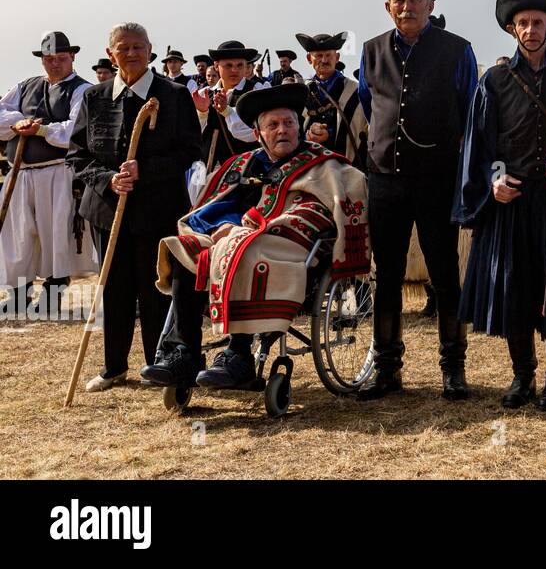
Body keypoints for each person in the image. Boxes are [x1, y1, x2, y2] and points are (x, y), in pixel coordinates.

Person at [141, 83, 369, 389]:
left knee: (243, 249)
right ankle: (185, 353)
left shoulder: (324, 165)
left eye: (288, 123)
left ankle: (239, 355)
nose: (282, 130)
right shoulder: (242, 163)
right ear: (258, 133)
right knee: (185, 247)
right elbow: (212, 206)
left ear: (299, 127)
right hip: (230, 238)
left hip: (284, 247)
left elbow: (333, 204)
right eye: (272, 125)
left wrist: (245, 229)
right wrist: (220, 229)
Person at [356, 0, 478, 400]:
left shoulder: (457, 48)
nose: (407, 6)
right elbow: (372, 104)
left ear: (430, 5)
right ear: (388, 6)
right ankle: (388, 370)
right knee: (384, 275)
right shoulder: (370, 50)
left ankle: (453, 368)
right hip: (385, 178)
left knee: (445, 273)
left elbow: (470, 112)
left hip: (437, 176)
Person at [455, 0, 546, 410]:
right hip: (512, 199)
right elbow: (480, 145)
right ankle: (523, 375)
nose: (530, 29)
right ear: (512, 29)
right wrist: (494, 180)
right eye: (522, 23)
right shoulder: (495, 79)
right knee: (515, 289)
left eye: (538, 22)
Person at [68, 23, 201, 391]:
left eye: (138, 47)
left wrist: (146, 170)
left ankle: (157, 364)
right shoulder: (95, 98)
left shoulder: (173, 95)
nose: (131, 54)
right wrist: (109, 179)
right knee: (114, 287)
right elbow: (78, 156)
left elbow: (192, 150)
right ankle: (114, 367)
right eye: (123, 48)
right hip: (106, 210)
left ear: (150, 50)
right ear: (111, 54)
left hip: (158, 208)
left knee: (154, 286)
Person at [0, 31, 94, 316]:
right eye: (49, 59)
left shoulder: (82, 90)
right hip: (20, 172)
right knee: (18, 236)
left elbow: (74, 129)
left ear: (72, 57)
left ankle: (52, 296)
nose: (55, 64)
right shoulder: (25, 86)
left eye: (61, 58)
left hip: (57, 172)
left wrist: (41, 130)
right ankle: (18, 296)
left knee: (55, 235)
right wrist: (19, 121)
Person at [192, 41, 267, 171]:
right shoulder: (203, 94)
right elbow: (193, 135)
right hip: (209, 168)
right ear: (216, 66)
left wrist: (227, 111)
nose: (234, 70)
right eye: (228, 65)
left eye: (240, 65)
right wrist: (202, 113)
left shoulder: (257, 91)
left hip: (248, 167)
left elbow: (255, 133)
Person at [297, 32, 368, 168]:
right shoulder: (301, 92)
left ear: (337, 57)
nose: (324, 60)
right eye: (318, 55)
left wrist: (328, 134)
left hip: (348, 166)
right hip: (309, 167)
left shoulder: (356, 91)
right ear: (309, 58)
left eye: (328, 55)